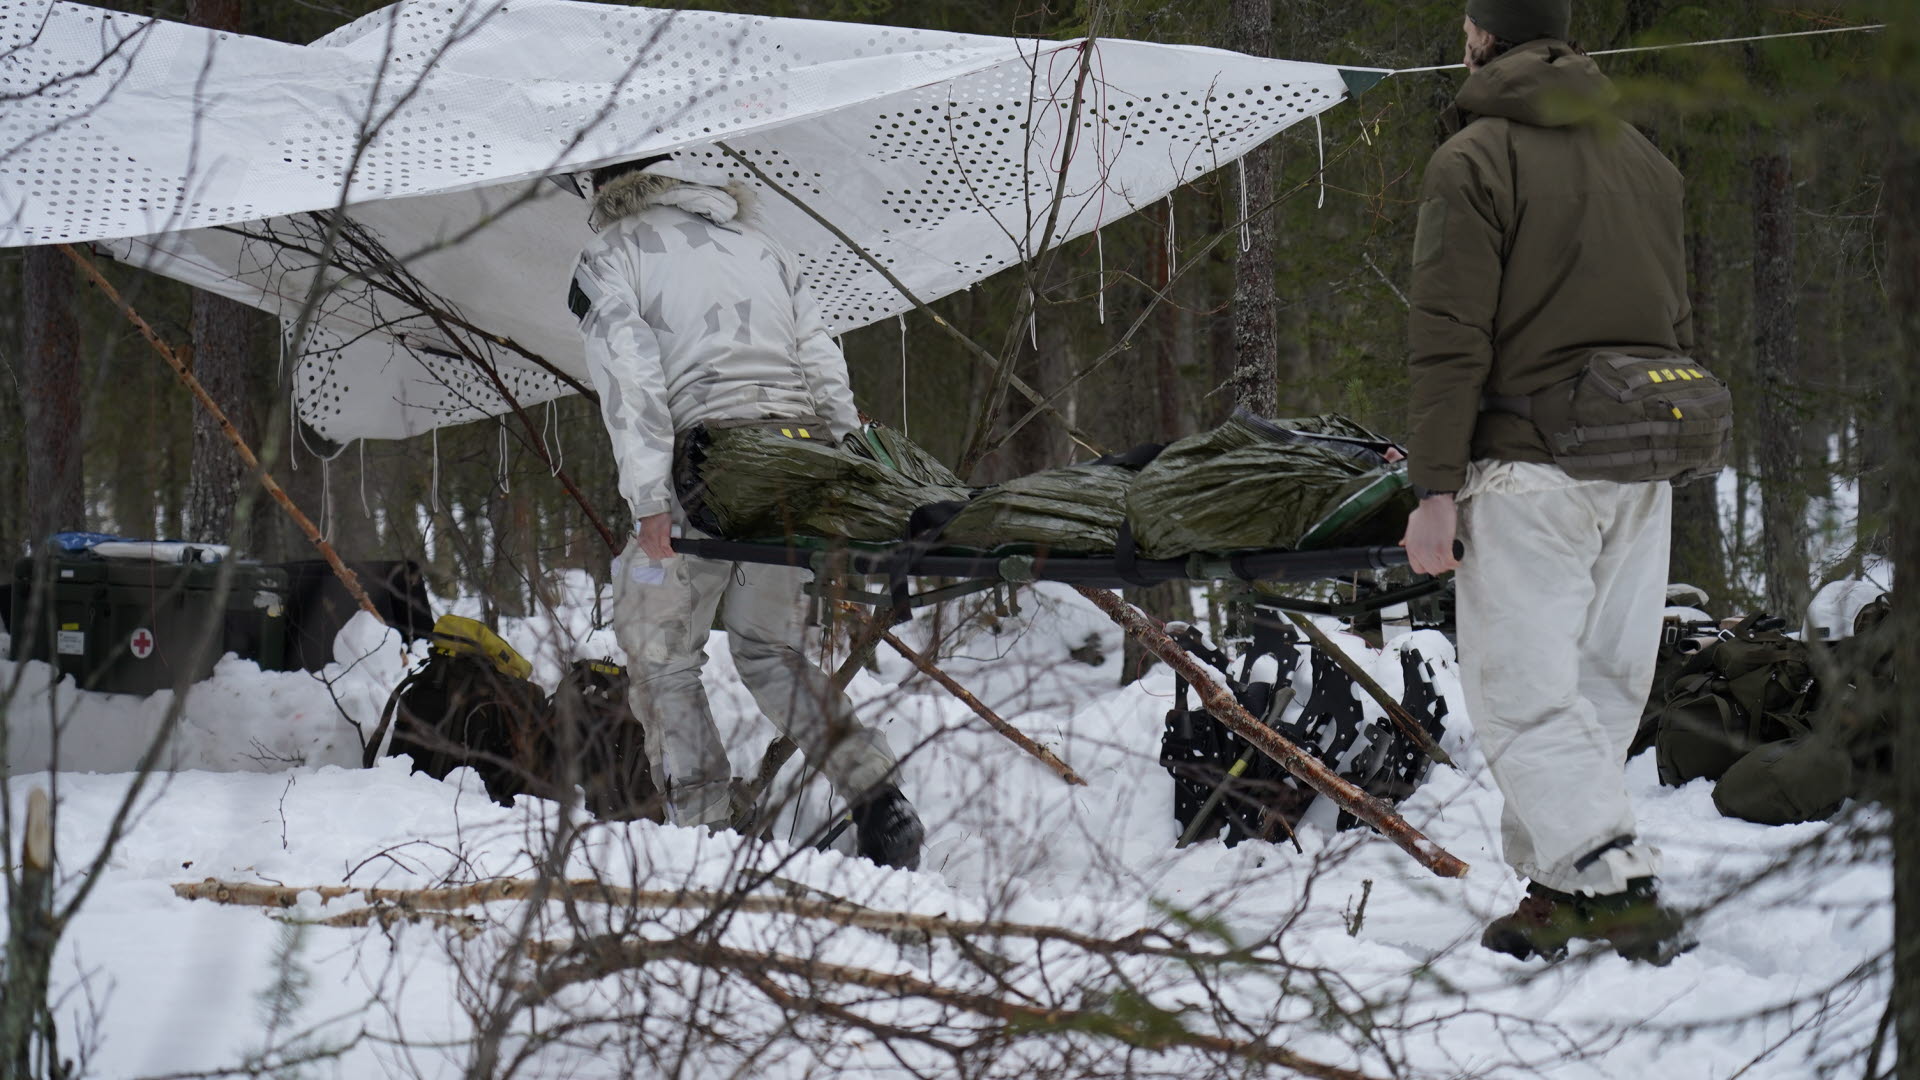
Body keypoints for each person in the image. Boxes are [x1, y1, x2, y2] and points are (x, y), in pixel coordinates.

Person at [1398, 0, 1693, 962]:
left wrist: (1434, 488)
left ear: (1482, 34)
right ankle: (1560, 888)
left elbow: (1449, 342)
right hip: (1642, 465)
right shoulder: (1645, 159)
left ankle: (1620, 883)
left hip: (1530, 472)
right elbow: (1669, 320)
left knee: (1525, 699)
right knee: (1596, 692)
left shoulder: (1472, 159)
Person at [566, 156, 924, 869]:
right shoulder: (764, 246)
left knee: (662, 658)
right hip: (796, 466)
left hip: (704, 472)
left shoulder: (611, 252)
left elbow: (629, 378)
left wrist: (647, 503)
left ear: (599, 186)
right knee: (772, 652)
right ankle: (879, 797)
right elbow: (821, 359)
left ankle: (703, 833)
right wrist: (847, 465)